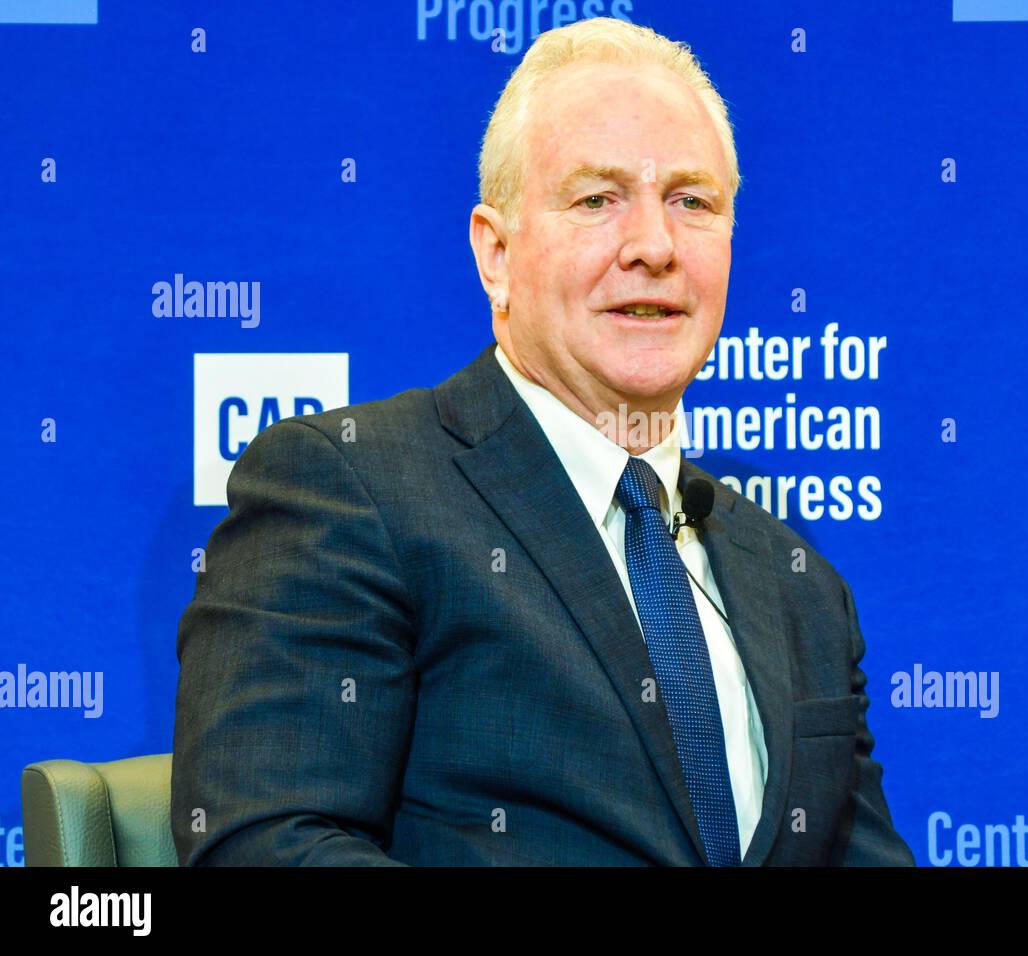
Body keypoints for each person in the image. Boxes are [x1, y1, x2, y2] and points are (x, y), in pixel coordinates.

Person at [171, 16, 915, 867]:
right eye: (598, 199)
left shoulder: (801, 587)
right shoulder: (348, 488)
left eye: (692, 201)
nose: (654, 246)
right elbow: (265, 845)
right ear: (495, 254)